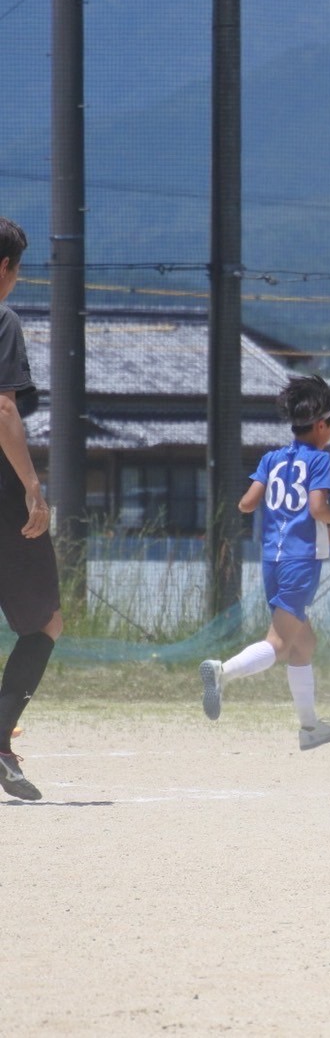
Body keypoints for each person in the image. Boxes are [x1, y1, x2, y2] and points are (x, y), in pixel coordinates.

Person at [199, 374, 330, 751]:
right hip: (301, 561)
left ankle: (310, 728)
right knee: (281, 643)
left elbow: (246, 504)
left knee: (304, 644)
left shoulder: (272, 458)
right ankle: (223, 672)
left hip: (272, 559)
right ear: (321, 425)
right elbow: (318, 509)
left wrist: (276, 501)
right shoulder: (319, 461)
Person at [0, 217, 62, 801]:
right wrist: (31, 488)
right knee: (46, 620)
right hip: (0, 497)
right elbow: (5, 412)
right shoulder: (2, 319)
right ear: (5, 268)